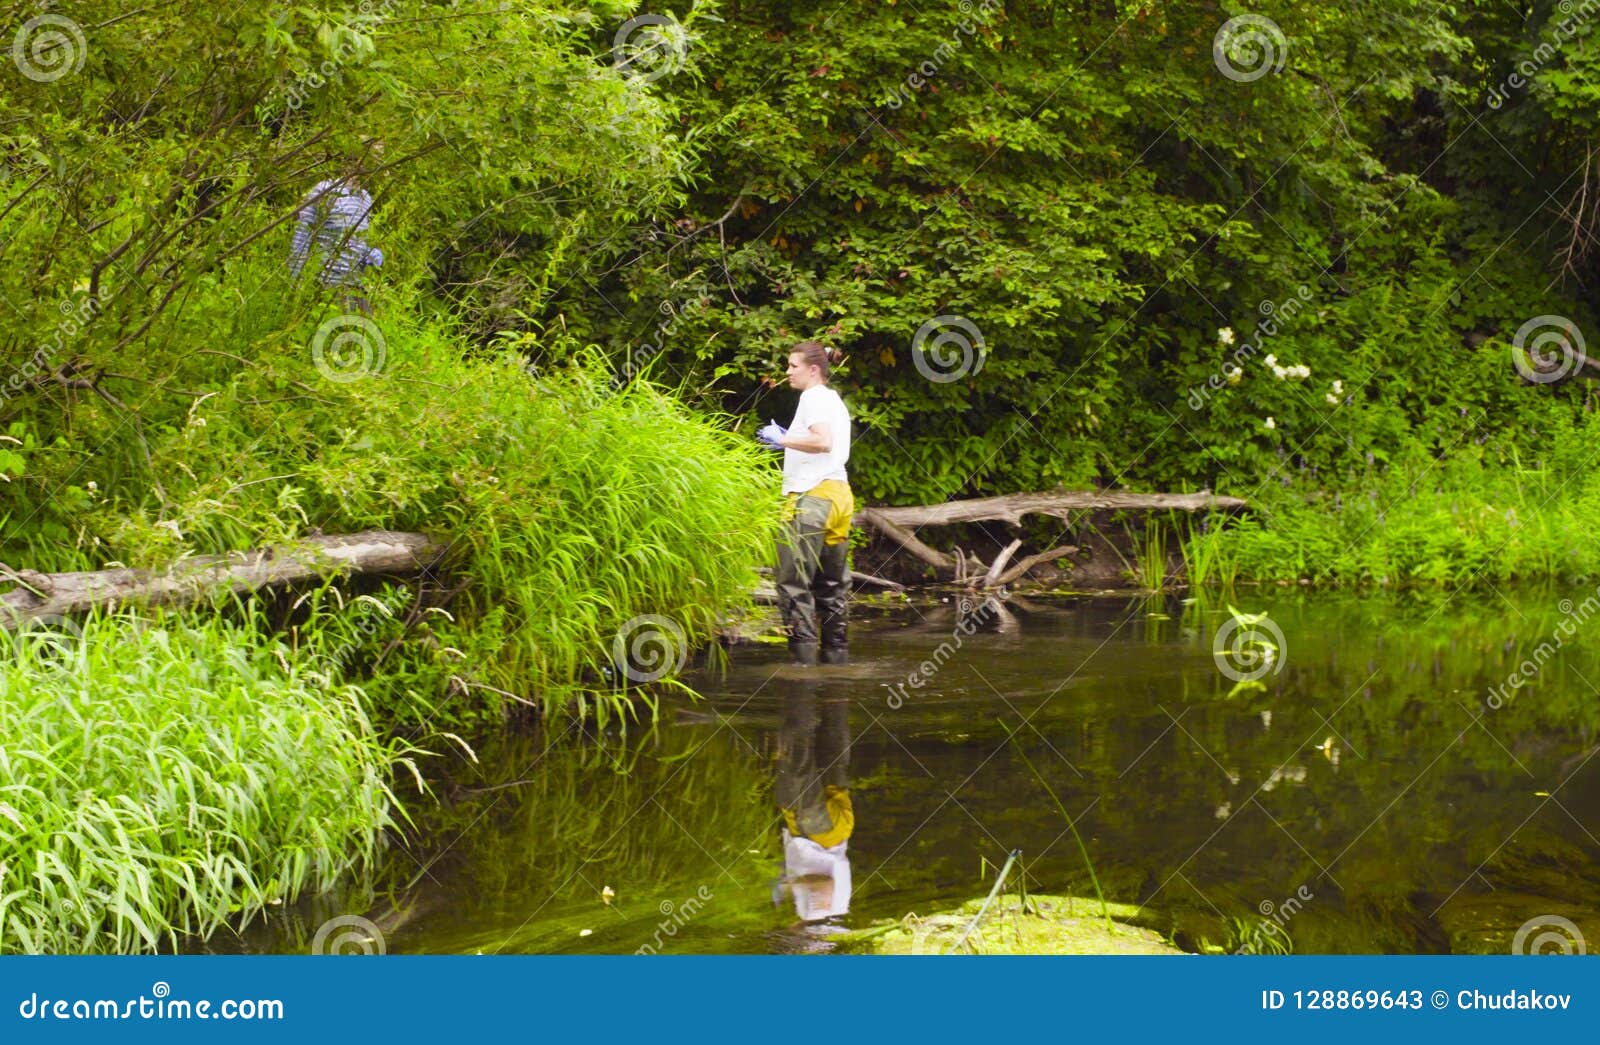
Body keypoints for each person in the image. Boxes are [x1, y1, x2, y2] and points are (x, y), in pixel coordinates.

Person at [757, 341, 853, 667]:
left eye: (792, 366)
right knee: (832, 586)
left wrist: (782, 439)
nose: (787, 372)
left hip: (811, 498)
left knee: (792, 583)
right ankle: (836, 663)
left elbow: (822, 441)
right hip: (838, 497)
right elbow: (827, 443)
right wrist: (790, 440)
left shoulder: (812, 397)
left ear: (813, 370)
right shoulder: (833, 399)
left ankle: (802, 670)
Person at [774, 680, 852, 926]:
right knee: (794, 755)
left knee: (833, 739)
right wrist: (788, 887)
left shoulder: (833, 914)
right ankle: (800, 681)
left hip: (837, 828)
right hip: (817, 833)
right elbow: (824, 884)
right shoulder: (816, 918)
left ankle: (836, 671)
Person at [288, 154, 384, 313]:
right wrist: (295, 280)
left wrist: (368, 252)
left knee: (368, 331)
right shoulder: (326, 190)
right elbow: (302, 235)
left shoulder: (365, 198)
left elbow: (356, 240)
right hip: (325, 283)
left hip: (355, 285)